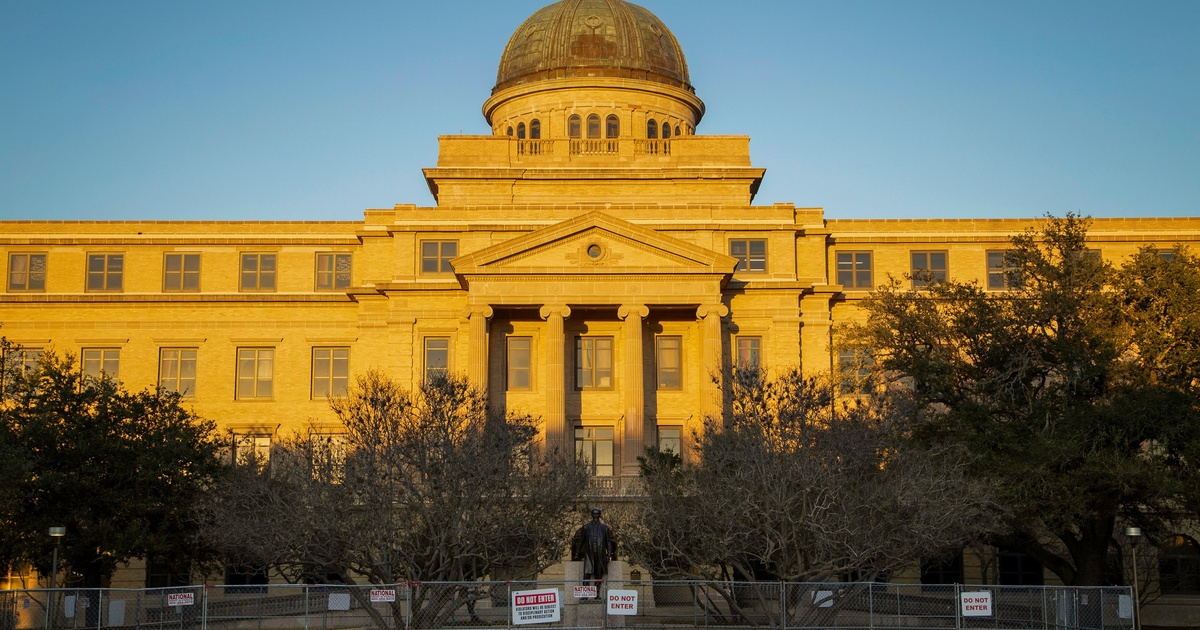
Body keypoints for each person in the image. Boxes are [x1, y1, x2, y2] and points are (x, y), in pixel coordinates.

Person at [571, 508, 616, 590]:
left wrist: (609, 555)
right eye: (594, 514)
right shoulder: (586, 527)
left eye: (597, 514)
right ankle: (585, 593)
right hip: (589, 554)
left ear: (600, 515)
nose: (596, 516)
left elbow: (608, 542)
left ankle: (598, 593)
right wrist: (576, 553)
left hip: (600, 555)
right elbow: (580, 541)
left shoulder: (604, 528)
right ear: (592, 515)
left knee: (598, 575)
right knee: (586, 574)